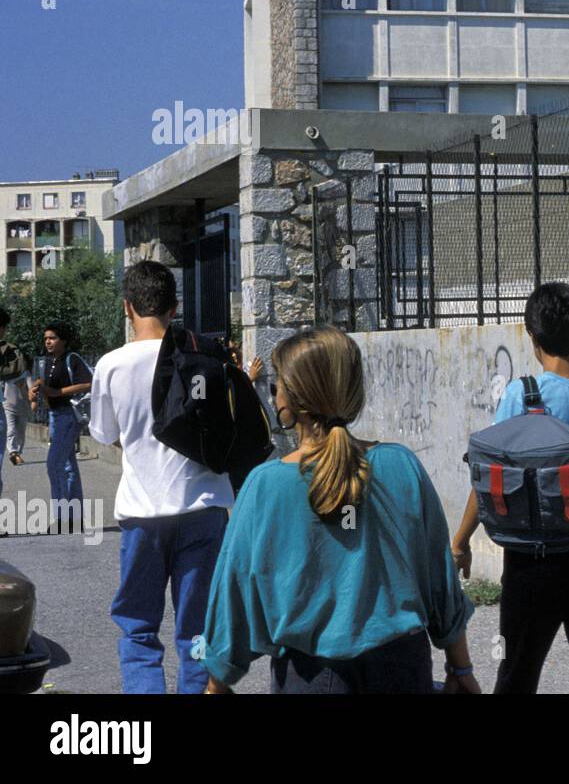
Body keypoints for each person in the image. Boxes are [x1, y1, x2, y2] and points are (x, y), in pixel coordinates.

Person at [201, 324, 477, 694]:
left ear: (287, 402)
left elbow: (233, 595)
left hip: (309, 677)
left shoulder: (265, 485)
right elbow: (438, 577)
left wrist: (218, 682)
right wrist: (460, 667)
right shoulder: (401, 466)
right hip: (403, 669)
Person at [451, 282, 569, 694]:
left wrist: (460, 542)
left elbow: (488, 479)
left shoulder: (521, 394)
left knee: (516, 676)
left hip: (531, 561)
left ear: (531, 337)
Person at [89, 261, 233, 693]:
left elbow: (104, 433)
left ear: (126, 307)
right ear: (175, 308)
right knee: (199, 630)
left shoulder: (111, 365)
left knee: (138, 628)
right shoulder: (205, 356)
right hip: (204, 508)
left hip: (142, 512)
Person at [29, 320, 91, 533]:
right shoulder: (48, 362)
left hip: (68, 416)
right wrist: (36, 389)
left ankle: (62, 519)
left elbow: (90, 382)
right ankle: (74, 519)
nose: (48, 341)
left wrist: (59, 392)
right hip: (55, 417)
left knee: (53, 464)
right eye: (46, 338)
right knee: (67, 466)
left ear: (63, 340)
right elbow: (44, 383)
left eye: (52, 338)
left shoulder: (71, 359)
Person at [0, 307, 32, 488]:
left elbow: (21, 374)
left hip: (9, 406)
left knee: (18, 430)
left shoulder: (9, 351)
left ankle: (15, 452)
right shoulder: (10, 351)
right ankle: (14, 451)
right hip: (5, 407)